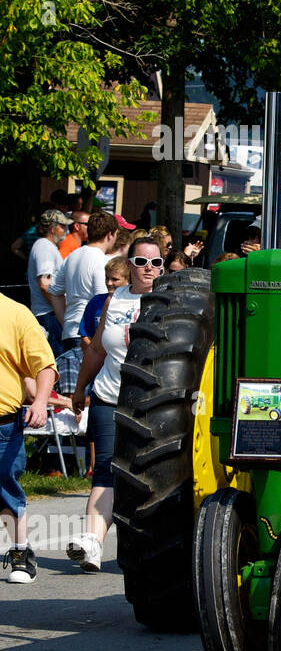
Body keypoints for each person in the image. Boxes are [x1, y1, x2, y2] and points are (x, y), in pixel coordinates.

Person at [68, 238, 163, 571]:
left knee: (146, 475)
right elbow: (96, 349)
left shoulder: (168, 302)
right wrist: (80, 389)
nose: (149, 268)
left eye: (155, 263)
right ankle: (92, 543)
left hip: (153, 403)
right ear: (130, 264)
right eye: (141, 262)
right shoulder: (114, 299)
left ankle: (149, 548)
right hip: (109, 395)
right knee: (106, 469)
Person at [0, 292, 56, 584]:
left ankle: (21, 553)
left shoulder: (15, 313)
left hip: (3, 424)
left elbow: (44, 365)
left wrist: (40, 402)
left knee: (5, 487)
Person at [49, 211, 117, 352]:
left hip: (69, 333)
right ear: (110, 234)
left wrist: (65, 322)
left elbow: (54, 291)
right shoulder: (103, 261)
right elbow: (102, 300)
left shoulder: (72, 256)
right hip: (89, 336)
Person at [27, 209, 71, 355]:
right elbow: (44, 285)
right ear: (52, 229)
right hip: (48, 315)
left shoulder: (47, 246)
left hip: (50, 314)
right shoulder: (44, 247)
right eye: (63, 226)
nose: (66, 230)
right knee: (54, 362)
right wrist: (60, 312)